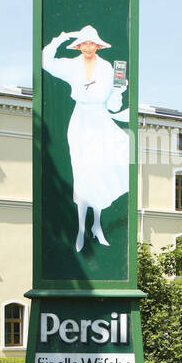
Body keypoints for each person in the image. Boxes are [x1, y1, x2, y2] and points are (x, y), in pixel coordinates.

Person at [41, 25, 129, 251]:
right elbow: (46, 62)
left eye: (92, 43)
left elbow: (113, 103)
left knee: (99, 170)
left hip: (100, 118)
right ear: (79, 46)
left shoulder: (107, 68)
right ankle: (81, 228)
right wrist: (59, 38)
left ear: (98, 45)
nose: (88, 48)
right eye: (84, 44)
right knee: (82, 171)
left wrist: (119, 90)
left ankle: (97, 225)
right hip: (81, 118)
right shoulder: (71, 65)